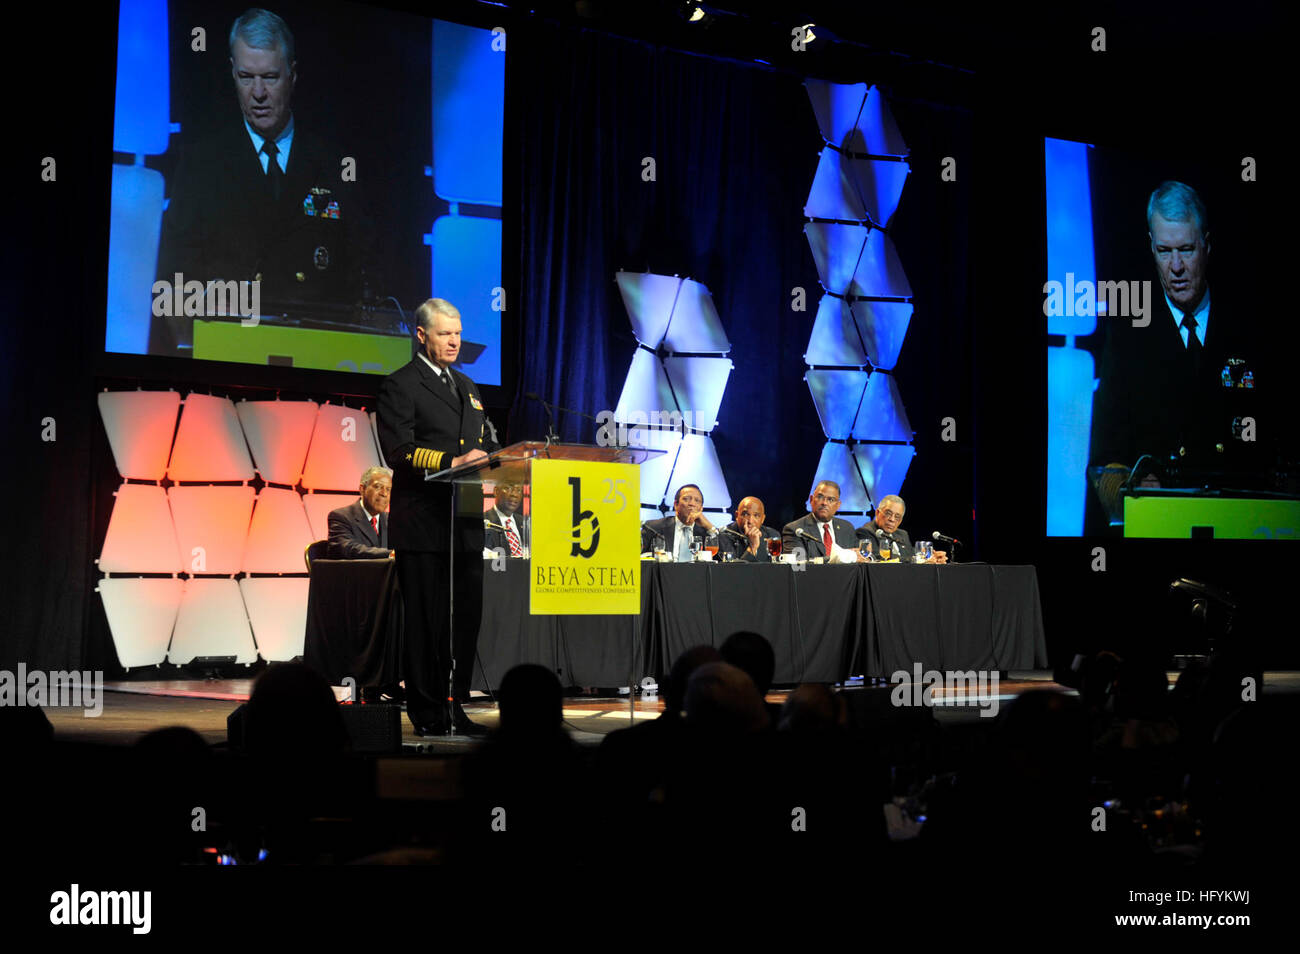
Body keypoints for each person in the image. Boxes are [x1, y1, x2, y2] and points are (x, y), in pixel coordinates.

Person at [152, 8, 377, 354]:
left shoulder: (334, 164)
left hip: (315, 355)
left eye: (270, 77)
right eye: (246, 77)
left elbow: (361, 273)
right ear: (232, 73)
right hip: (226, 351)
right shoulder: (202, 163)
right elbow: (173, 273)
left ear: (292, 75)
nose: (258, 93)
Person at [1089, 180, 1263, 493]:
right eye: (1164, 252)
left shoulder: (1249, 328)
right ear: (1151, 247)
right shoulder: (1129, 338)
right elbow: (1106, 458)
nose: (1176, 267)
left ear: (1207, 246)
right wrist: (1134, 484)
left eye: (1186, 250)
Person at [377, 298, 498, 736]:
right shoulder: (401, 385)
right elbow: (400, 452)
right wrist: (454, 458)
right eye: (446, 334)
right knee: (427, 624)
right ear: (422, 335)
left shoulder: (467, 386)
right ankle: (428, 712)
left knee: (463, 623)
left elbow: (487, 443)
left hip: (463, 524)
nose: (454, 341)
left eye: (459, 333)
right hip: (424, 525)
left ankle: (455, 706)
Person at [781, 480, 862, 561]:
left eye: (831, 499)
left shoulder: (847, 528)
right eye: (820, 497)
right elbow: (798, 566)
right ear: (811, 499)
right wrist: (842, 557)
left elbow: (858, 559)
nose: (824, 503)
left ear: (838, 505)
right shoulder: (795, 530)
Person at [326, 466, 393, 559]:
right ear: (362, 489)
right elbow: (348, 549)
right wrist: (390, 554)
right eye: (378, 487)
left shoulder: (390, 519)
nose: (384, 493)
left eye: (388, 489)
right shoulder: (340, 517)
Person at [857, 494, 946, 563]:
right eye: (888, 513)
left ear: (901, 520)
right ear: (877, 513)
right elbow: (878, 559)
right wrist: (917, 560)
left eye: (897, 517)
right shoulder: (865, 532)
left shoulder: (902, 534)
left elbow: (910, 555)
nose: (892, 519)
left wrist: (930, 557)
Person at [640, 484, 718, 560]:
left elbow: (724, 556)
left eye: (697, 500)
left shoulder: (706, 533)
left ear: (701, 508)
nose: (692, 504)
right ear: (676, 505)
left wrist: (710, 527)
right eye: (686, 499)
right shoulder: (653, 528)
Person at [716, 496, 782, 562]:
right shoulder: (723, 536)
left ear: (762, 519)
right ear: (736, 515)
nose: (750, 521)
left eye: (756, 515)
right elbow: (733, 570)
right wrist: (752, 547)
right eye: (745, 514)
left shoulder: (772, 535)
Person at [483, 481, 529, 558]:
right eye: (508, 488)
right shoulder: (484, 521)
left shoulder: (525, 522)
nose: (514, 495)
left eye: (519, 490)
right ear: (496, 491)